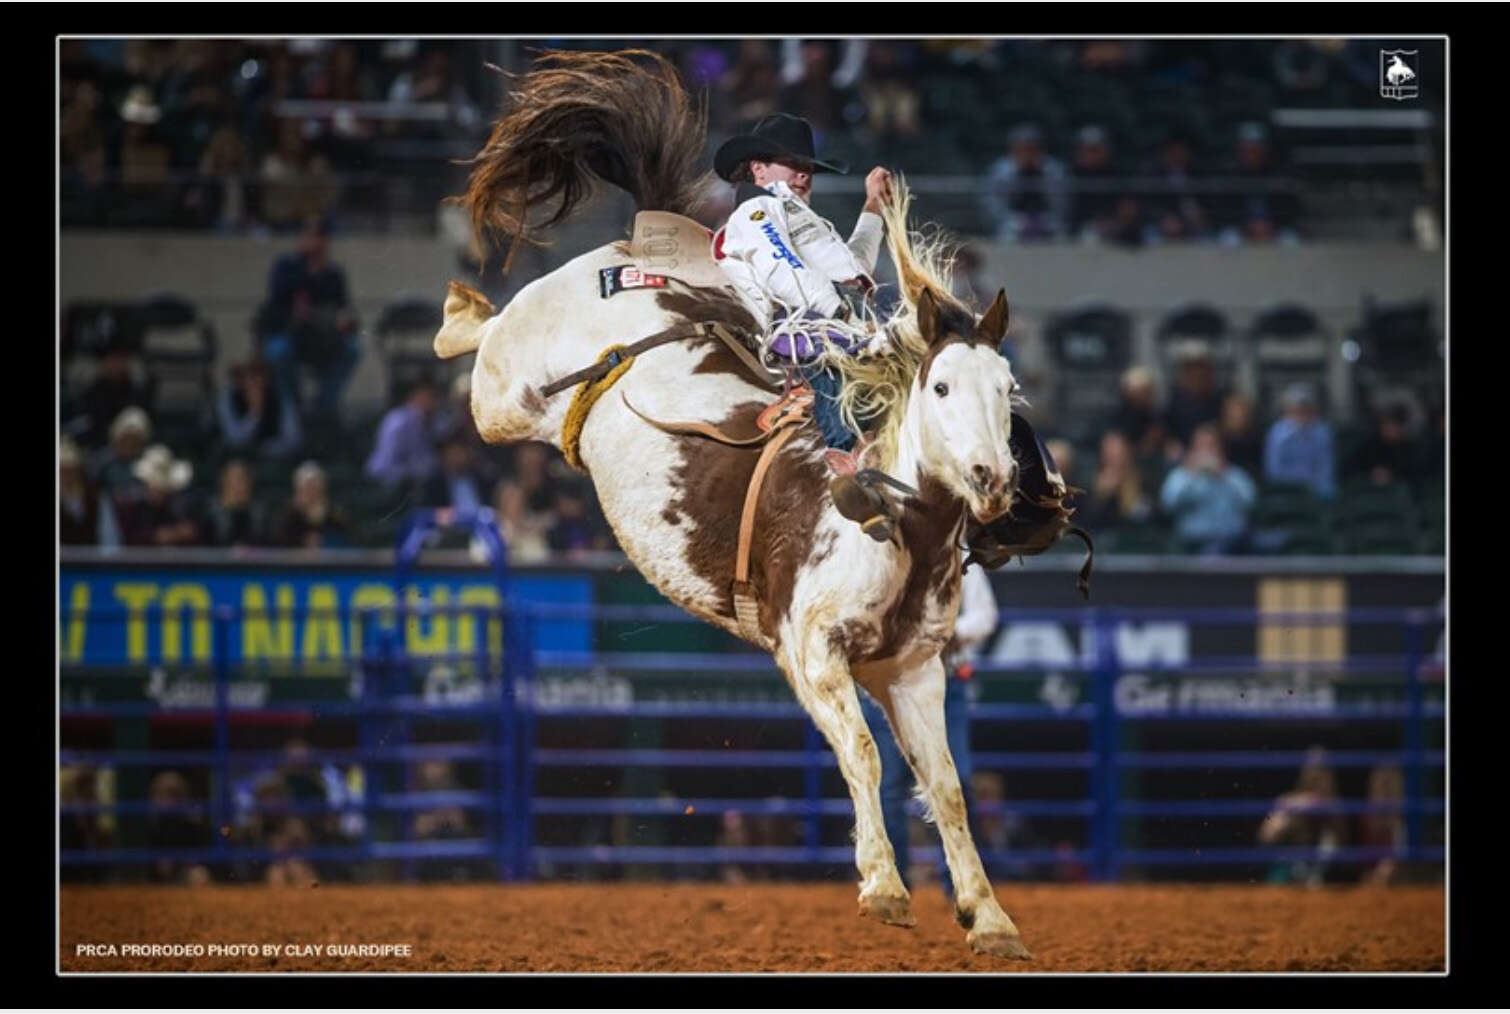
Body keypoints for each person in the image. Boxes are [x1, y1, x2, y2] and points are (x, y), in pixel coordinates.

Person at [860, 555, 999, 899]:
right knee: (890, 787)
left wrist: (944, 633)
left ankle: (961, 881)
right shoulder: (884, 557)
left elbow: (984, 617)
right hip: (891, 684)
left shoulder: (961, 558)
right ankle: (897, 882)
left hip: (941, 684)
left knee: (954, 783)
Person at [256, 215, 361, 424]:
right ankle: (291, 409)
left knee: (352, 349)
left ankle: (324, 407)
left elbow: (344, 310)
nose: (314, 241)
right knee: (279, 352)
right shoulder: (286, 267)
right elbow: (279, 305)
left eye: (319, 236)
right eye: (309, 235)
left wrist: (343, 320)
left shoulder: (333, 274)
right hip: (288, 334)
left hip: (321, 339)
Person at [1159, 423, 1256, 554]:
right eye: (1201, 446)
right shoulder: (1180, 476)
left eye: (1211, 446)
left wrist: (1223, 476)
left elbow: (1249, 503)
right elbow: (1168, 504)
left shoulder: (1234, 475)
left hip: (1232, 544)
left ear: (1221, 448)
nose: (1206, 452)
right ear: (1193, 449)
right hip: (1190, 543)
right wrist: (1191, 476)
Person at [982, 124, 1070, 243]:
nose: (1027, 153)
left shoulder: (1054, 170)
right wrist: (1012, 219)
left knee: (1060, 237)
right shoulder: (1001, 171)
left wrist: (1044, 220)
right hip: (1012, 219)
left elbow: (1061, 202)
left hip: (1047, 219)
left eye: (1031, 148)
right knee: (1008, 236)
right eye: (1022, 148)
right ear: (1013, 149)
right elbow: (993, 203)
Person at [365, 377, 444, 488]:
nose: (436, 403)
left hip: (406, 479)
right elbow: (389, 463)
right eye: (431, 397)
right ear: (417, 397)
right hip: (384, 479)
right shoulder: (401, 421)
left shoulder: (428, 421)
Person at [216, 358, 302, 459]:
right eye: (250, 381)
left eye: (260, 381)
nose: (256, 388)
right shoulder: (228, 399)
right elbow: (234, 438)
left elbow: (293, 438)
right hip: (238, 457)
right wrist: (254, 415)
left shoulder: (279, 397)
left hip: (273, 458)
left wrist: (267, 449)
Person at [1262, 383, 1336, 500]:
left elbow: (1326, 471)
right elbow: (1273, 472)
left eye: (1305, 410)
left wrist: (1320, 494)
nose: (1301, 416)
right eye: (1296, 410)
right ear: (1287, 411)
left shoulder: (1322, 433)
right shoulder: (1277, 434)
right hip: (1286, 491)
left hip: (1316, 491)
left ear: (1312, 411)